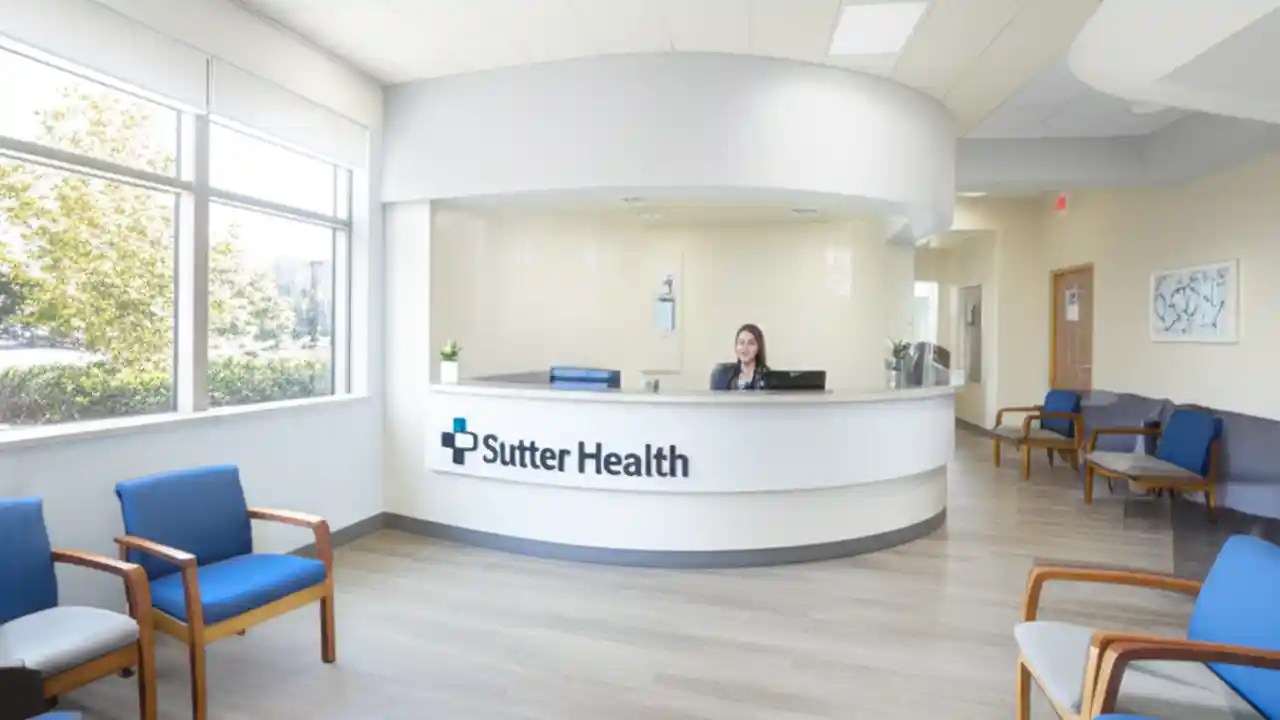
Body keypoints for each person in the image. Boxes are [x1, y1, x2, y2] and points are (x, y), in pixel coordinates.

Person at [710, 323, 770, 391]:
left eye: (751, 343)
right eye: (741, 343)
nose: (745, 348)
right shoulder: (721, 375)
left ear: (759, 347)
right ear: (736, 347)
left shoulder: (768, 378)